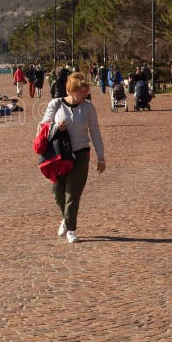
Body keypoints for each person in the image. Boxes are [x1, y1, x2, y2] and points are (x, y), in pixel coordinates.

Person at [38, 72, 106, 244]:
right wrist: (55, 127)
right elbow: (43, 127)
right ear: (71, 90)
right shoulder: (56, 104)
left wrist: (101, 157)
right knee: (58, 192)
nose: (85, 93)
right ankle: (66, 219)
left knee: (73, 193)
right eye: (82, 90)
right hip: (59, 155)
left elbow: (95, 133)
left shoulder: (89, 108)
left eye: (86, 90)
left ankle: (71, 229)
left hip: (81, 154)